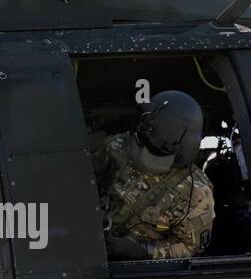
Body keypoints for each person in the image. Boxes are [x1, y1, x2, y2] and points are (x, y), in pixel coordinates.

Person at [92, 90, 216, 260]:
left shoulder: (197, 192)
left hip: (135, 268)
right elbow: (83, 184)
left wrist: (142, 251)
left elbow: (189, 248)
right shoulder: (117, 148)